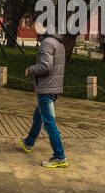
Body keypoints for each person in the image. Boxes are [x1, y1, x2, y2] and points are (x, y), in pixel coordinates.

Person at [20, 24, 69, 168]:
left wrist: (31, 70)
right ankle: (29, 142)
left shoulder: (47, 43)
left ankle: (59, 157)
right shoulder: (59, 43)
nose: (35, 28)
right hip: (53, 88)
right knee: (38, 116)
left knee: (49, 124)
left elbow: (46, 66)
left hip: (47, 89)